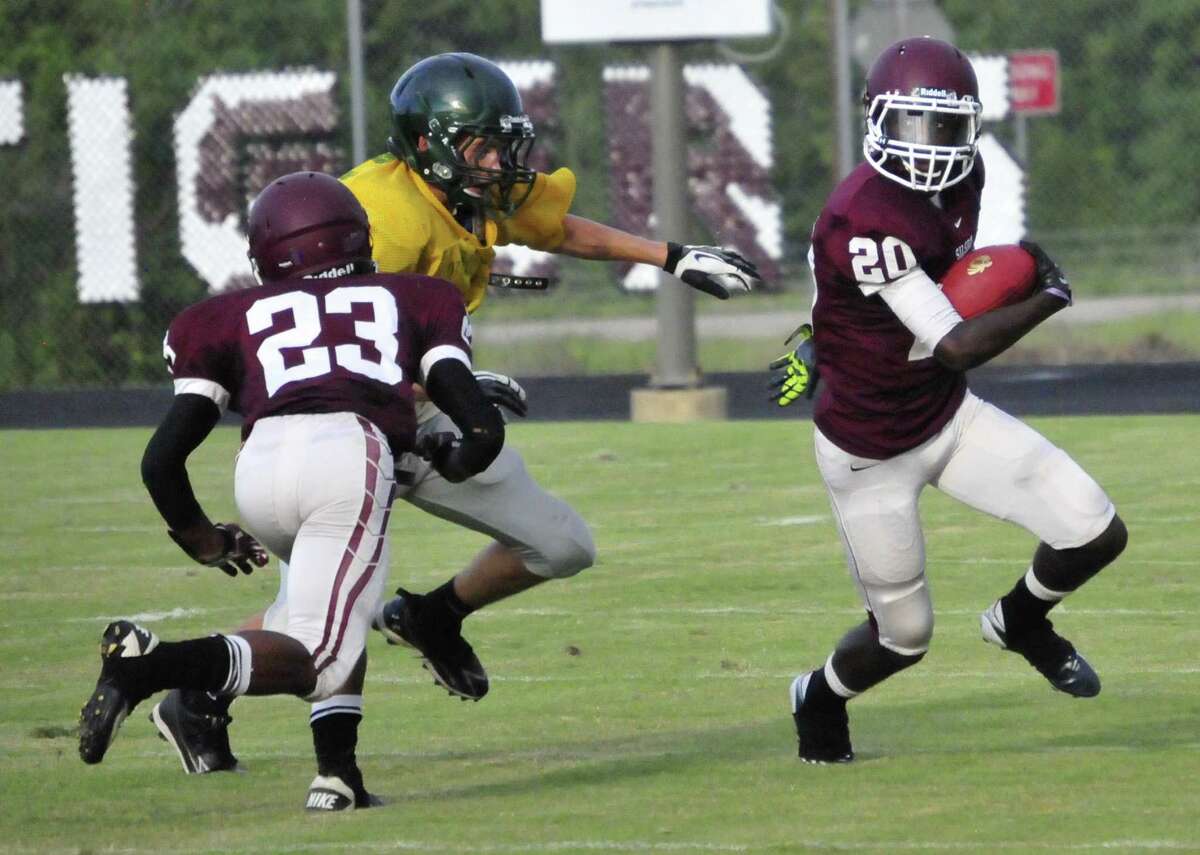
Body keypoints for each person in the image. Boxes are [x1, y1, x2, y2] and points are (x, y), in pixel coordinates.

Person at [153, 51, 762, 777]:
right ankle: (193, 693)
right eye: (482, 146)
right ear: (427, 144)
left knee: (561, 543)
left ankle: (433, 614)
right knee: (320, 625)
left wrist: (669, 254)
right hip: (344, 429)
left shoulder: (465, 188)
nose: (500, 163)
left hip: (419, 414)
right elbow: (335, 354)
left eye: (503, 144)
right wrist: (445, 384)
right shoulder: (383, 220)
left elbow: (554, 227)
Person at [80, 171, 505, 810]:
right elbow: (482, 429)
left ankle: (338, 778)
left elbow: (161, 461)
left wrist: (207, 541)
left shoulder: (221, 317)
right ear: (358, 237)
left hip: (260, 466)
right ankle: (151, 667)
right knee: (320, 659)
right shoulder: (417, 296)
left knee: (341, 611)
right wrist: (453, 456)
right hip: (349, 457)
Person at [769, 37, 1127, 763]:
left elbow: (956, 281)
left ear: (971, 127)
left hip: (945, 416)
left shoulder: (966, 181)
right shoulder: (860, 215)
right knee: (904, 638)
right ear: (876, 117)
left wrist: (824, 334)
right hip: (869, 451)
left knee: (1096, 530)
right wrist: (1049, 295)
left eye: (944, 125)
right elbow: (954, 343)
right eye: (911, 122)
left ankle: (1021, 621)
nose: (927, 144)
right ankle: (819, 697)